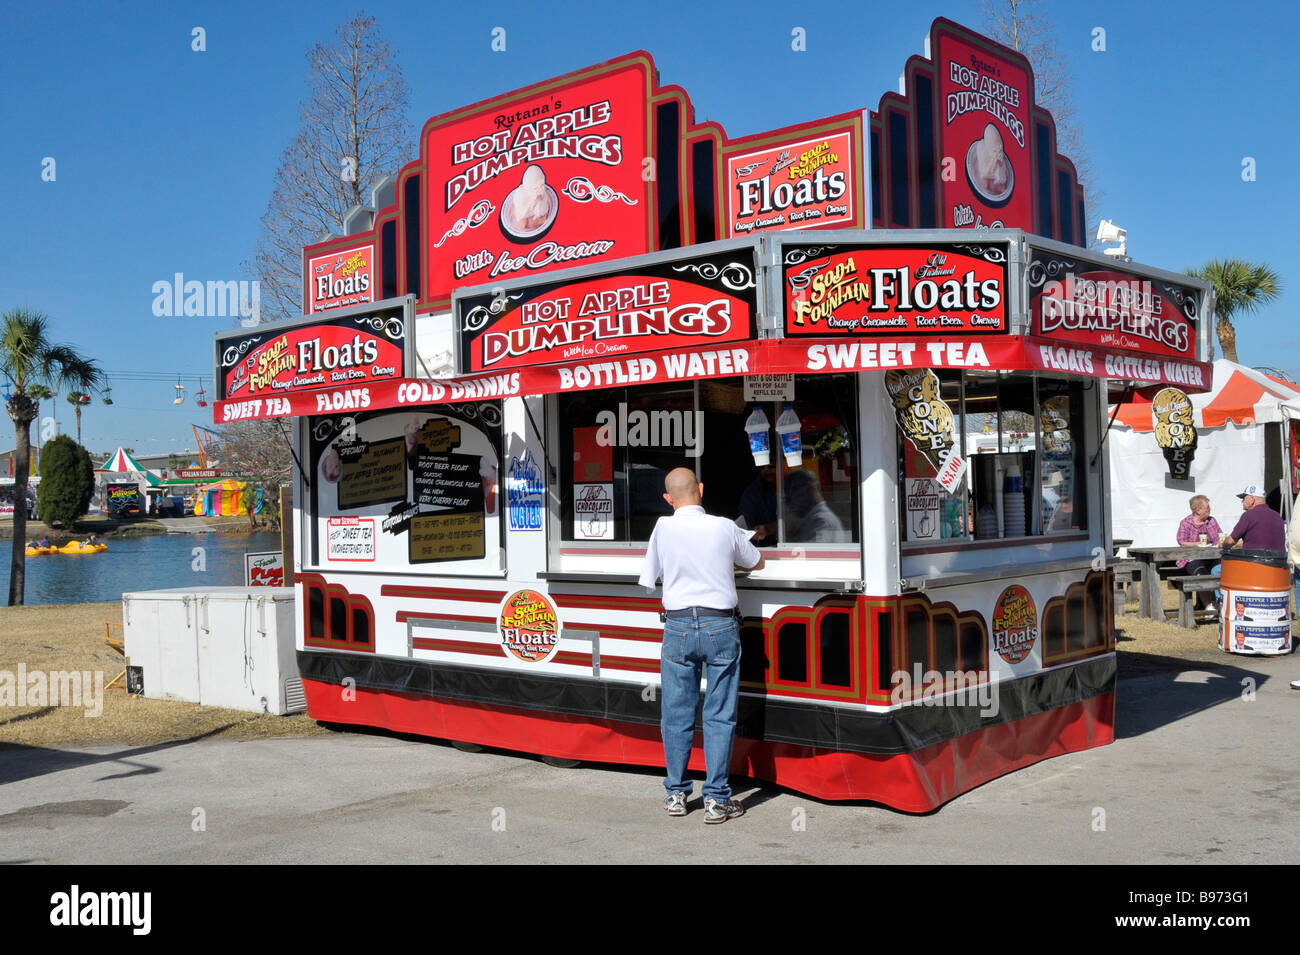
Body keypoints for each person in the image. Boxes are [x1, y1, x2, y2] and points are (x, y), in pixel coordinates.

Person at [639, 467, 764, 823]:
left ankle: (677, 794)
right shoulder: (725, 526)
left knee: (676, 713)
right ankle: (715, 800)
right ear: (702, 490)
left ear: (668, 499)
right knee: (719, 714)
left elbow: (649, 580)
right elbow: (758, 560)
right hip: (719, 624)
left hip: (677, 626)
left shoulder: (663, 528)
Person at [1176, 494, 1222, 610]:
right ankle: (1209, 606)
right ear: (1198, 510)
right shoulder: (1186, 523)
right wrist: (1198, 544)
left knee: (1222, 570)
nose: (1210, 509)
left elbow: (1218, 538)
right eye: (1207, 507)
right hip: (1191, 558)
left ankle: (1217, 602)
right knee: (1201, 574)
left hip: (1211, 557)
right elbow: (1182, 542)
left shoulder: (1211, 521)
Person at [784, 468, 848, 543]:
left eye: (795, 491)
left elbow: (808, 552)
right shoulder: (810, 518)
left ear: (811, 489)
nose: (792, 499)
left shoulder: (822, 521)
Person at [1220, 484, 1285, 552]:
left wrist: (1223, 544)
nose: (1242, 501)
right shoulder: (1277, 516)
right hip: (1277, 561)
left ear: (1252, 499)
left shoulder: (1249, 515)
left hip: (1254, 561)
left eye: (1244, 498)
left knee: (1220, 562)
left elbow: (1230, 541)